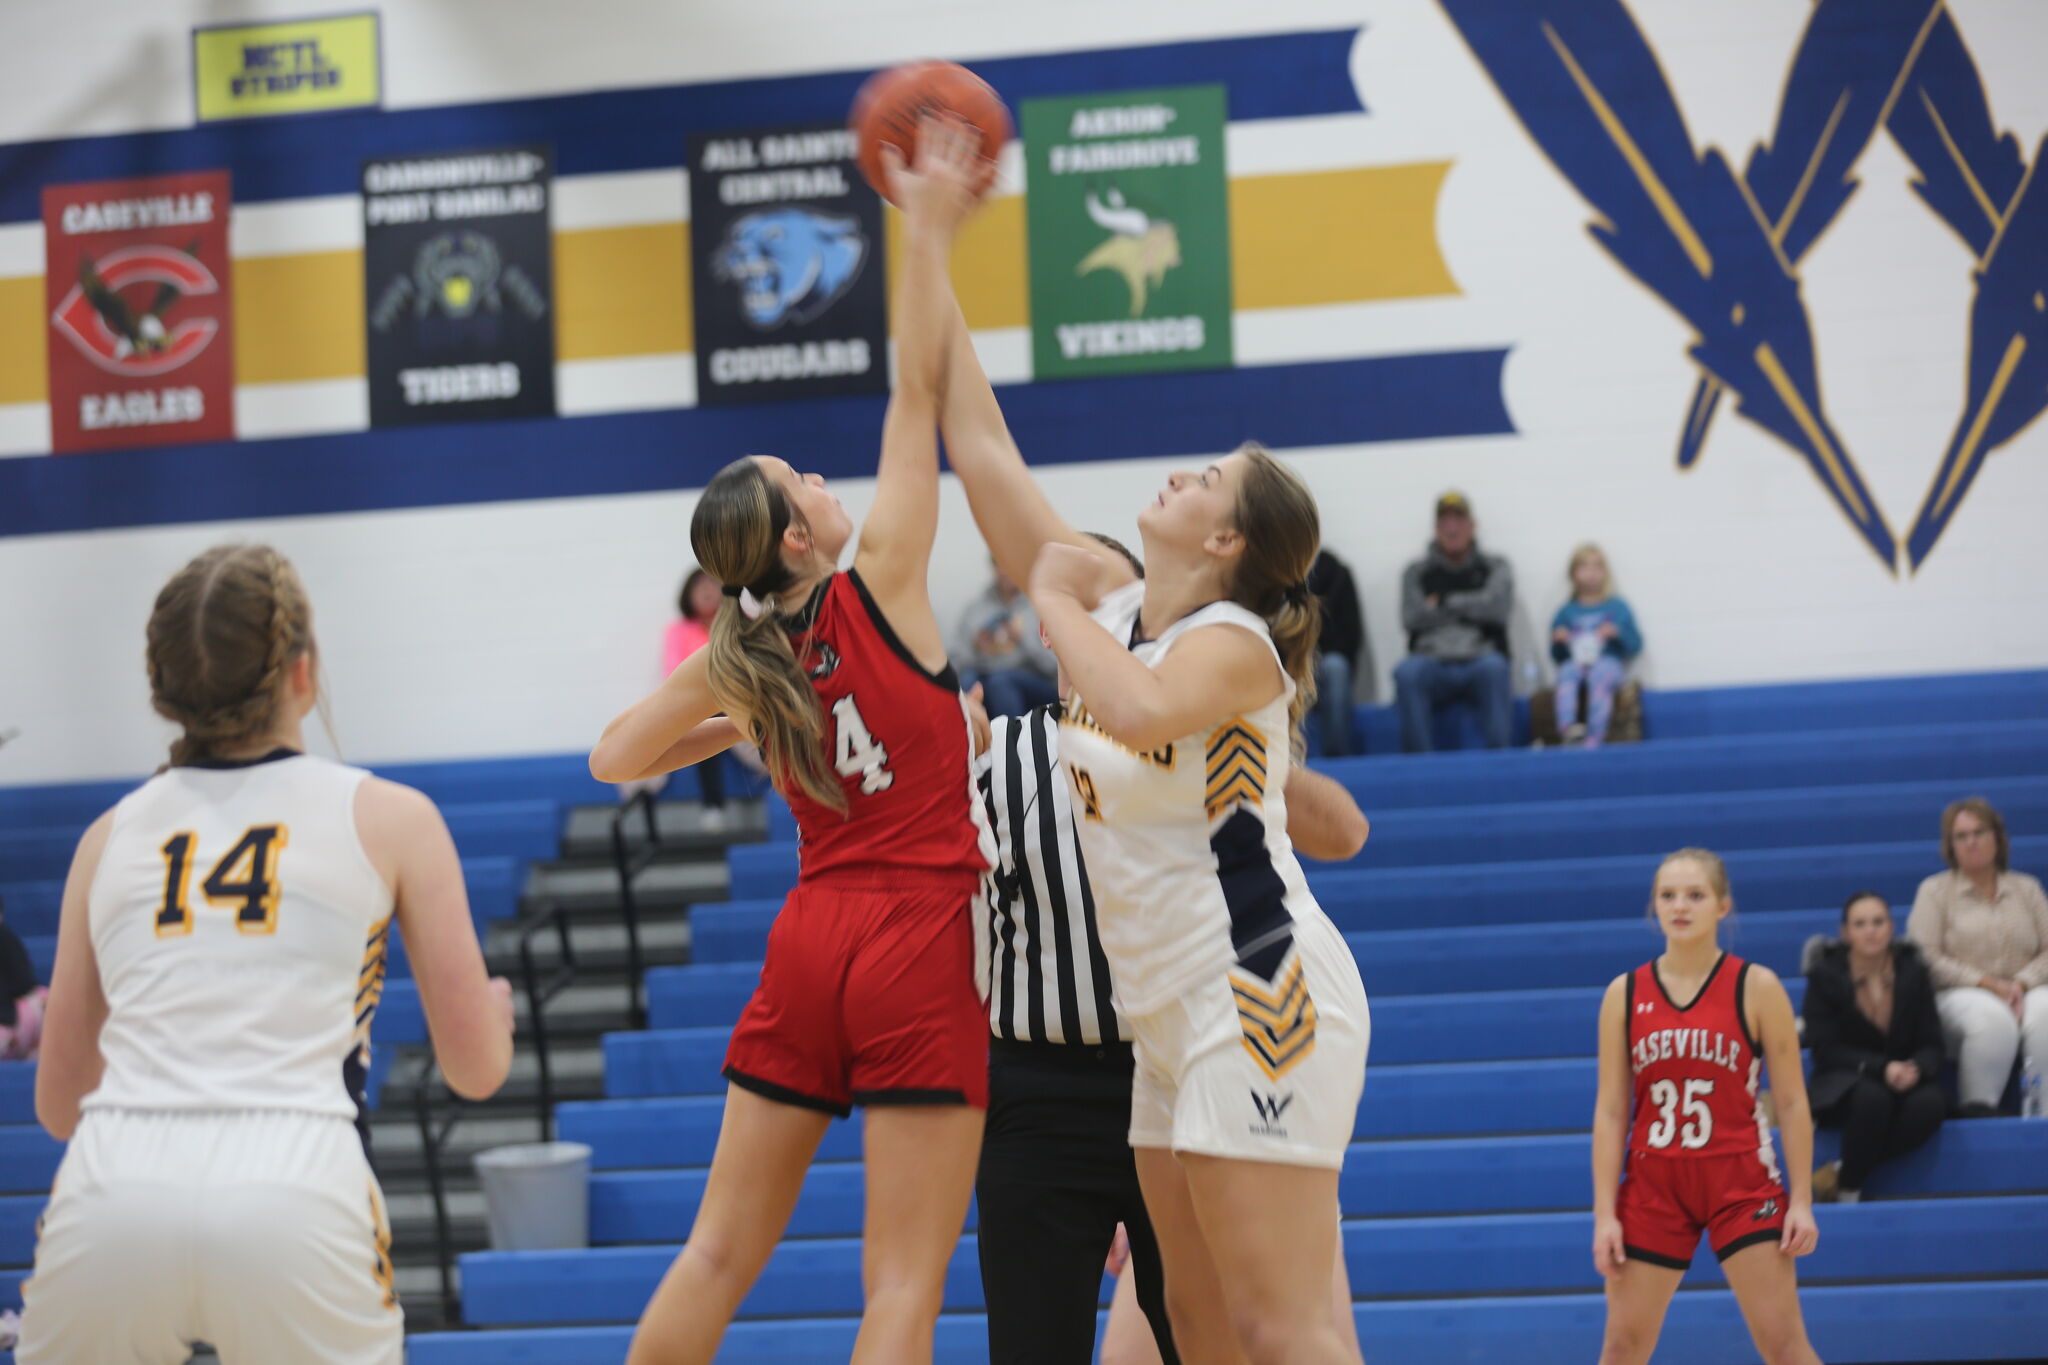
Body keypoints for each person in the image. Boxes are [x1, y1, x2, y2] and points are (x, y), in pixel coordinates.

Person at [587, 117, 994, 1365]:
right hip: (921, 934)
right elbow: (918, 392)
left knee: (716, 1254)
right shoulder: (884, 583)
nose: (825, 479)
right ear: (804, 540)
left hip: (812, 936)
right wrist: (923, 228)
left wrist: (719, 730)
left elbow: (611, 758)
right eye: (803, 479)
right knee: (899, 1294)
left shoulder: (746, 656)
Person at [938, 297, 1369, 1362]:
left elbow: (1129, 707)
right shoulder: (1126, 618)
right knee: (1196, 1321)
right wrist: (929, 252)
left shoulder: (1230, 643)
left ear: (1225, 539)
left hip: (1254, 990)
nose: (1180, 471)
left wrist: (1049, 590)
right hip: (1161, 1019)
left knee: (1280, 1325)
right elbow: (985, 448)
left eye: (1208, 478)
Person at [20, 543, 515, 1365]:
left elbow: (60, 1106)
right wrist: (491, 1018)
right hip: (296, 1182)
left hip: (112, 1190)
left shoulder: (106, 838)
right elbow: (475, 1070)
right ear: (302, 669)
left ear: (165, 687)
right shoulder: (392, 816)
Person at [1591, 848, 1821, 1365]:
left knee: (1784, 1347)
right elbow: (1610, 1111)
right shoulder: (1623, 995)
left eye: (1695, 895)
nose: (1680, 906)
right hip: (1654, 1183)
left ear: (1722, 906)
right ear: (1654, 906)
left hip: (1740, 1180)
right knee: (1621, 1348)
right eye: (1668, 895)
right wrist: (1605, 1214)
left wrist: (1801, 1200)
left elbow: (1791, 1100)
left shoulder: (1757, 987)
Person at [1905, 797, 2048, 1116]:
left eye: (1979, 832)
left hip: (2026, 989)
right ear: (1950, 846)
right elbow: (1924, 956)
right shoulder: (1934, 891)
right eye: (1961, 836)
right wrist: (1986, 983)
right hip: (1957, 995)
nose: (1971, 842)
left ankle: (2041, 1114)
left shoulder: (2027, 888)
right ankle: (1980, 1112)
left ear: (1997, 838)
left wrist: (2022, 983)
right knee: (1991, 1020)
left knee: (2047, 1012)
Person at [1802, 892, 1946, 1203]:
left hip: (1904, 1076)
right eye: (1860, 924)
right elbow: (1825, 1049)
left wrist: (1917, 1067)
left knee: (1932, 1105)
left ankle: (1842, 1172)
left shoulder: (1913, 972)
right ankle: (1850, 1190)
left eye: (1878, 922)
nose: (1870, 930)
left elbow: (1932, 1041)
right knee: (1873, 1099)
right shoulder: (1824, 975)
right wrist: (1881, 1068)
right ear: (1845, 932)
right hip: (1844, 1081)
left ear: (1891, 927)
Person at [1392, 491, 1515, 752]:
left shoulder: (1495, 566)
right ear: (1435, 529)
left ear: (1472, 526)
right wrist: (1474, 603)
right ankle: (1420, 765)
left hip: (1481, 657)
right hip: (1431, 661)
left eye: (1458, 520)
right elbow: (1412, 616)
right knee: (1407, 672)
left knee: (1495, 668)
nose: (1452, 528)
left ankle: (1499, 759)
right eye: (1445, 522)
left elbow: (1497, 609)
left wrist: (1444, 602)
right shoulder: (1415, 572)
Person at [1548, 543, 1642, 748]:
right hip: (1576, 662)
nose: (1591, 573)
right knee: (1566, 672)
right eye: (1584, 567)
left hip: (1608, 663)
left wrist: (1618, 633)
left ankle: (1595, 737)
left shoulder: (1618, 607)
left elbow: (1635, 645)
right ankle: (1568, 729)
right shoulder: (1566, 611)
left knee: (1600, 673)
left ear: (1605, 572)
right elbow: (1556, 655)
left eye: (1597, 567)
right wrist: (1559, 641)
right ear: (1573, 573)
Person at [955, 558, 1059, 718]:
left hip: (1032, 679)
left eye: (1011, 564)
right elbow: (957, 661)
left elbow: (1053, 666)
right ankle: (964, 740)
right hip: (984, 674)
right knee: (967, 681)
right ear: (993, 567)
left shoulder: (1039, 607)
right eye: (1000, 564)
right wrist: (977, 647)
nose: (1005, 571)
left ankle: (1011, 742)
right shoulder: (976, 609)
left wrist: (1022, 639)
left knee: (1000, 682)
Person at [1306, 548, 1365, 757]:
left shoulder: (1335, 572)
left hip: (1325, 655)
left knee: (1336, 667)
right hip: (1282, 658)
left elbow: (1351, 632)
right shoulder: (1269, 574)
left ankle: (1337, 757)